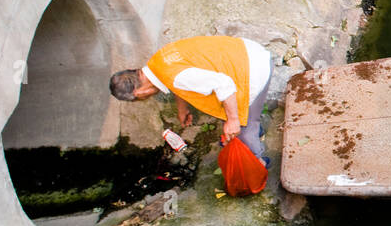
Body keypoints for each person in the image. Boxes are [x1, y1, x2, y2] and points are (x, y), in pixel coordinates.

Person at [109, 35, 273, 162]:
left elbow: (225, 84)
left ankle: (258, 162)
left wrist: (233, 120)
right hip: (246, 51)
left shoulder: (173, 76)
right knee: (237, 121)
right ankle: (254, 130)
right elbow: (178, 81)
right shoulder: (158, 61)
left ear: (139, 93)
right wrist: (182, 108)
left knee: (243, 129)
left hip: (253, 69)